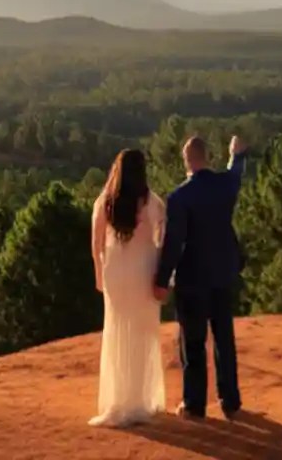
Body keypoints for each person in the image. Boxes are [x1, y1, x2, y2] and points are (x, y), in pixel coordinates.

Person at [153, 135, 249, 420]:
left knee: (193, 342)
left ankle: (194, 404)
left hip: (192, 278)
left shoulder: (180, 197)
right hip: (223, 272)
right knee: (224, 338)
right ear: (208, 157)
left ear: (186, 161)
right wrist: (237, 153)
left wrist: (161, 280)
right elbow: (235, 172)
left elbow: (174, 243)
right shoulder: (224, 186)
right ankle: (230, 401)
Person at [88, 149, 167, 427]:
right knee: (143, 335)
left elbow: (96, 245)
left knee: (117, 332)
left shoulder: (104, 202)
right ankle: (140, 400)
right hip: (143, 273)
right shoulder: (152, 202)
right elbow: (163, 240)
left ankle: (117, 401)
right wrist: (161, 274)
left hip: (116, 274)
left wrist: (100, 276)